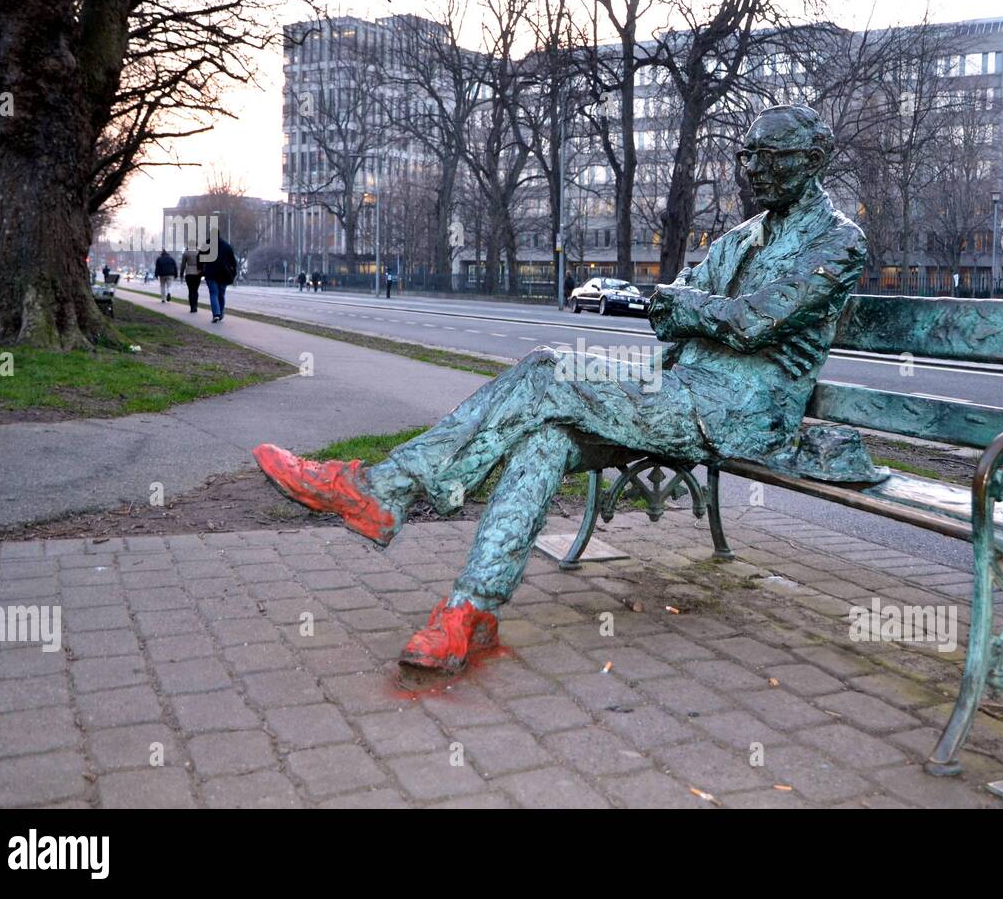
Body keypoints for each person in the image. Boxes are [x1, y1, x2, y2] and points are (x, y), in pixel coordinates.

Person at [254, 105, 865, 673]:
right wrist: (702, 311)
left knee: (550, 371)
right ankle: (472, 610)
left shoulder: (838, 240)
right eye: (747, 155)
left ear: (813, 159)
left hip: (745, 415)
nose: (754, 168)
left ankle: (383, 491)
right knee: (543, 438)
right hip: (681, 390)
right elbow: (664, 309)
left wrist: (696, 309)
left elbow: (757, 322)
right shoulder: (741, 236)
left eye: (771, 155)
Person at [201, 236, 237, 323]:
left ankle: (216, 314)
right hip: (223, 274)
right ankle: (220, 313)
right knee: (221, 294)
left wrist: (201, 269)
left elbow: (200, 257)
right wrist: (234, 272)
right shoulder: (226, 246)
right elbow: (233, 260)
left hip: (210, 274)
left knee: (213, 293)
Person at [180, 243, 202, 313]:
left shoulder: (186, 253)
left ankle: (192, 307)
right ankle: (195, 305)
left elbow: (183, 264)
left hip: (189, 273)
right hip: (197, 273)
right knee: (195, 290)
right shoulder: (199, 252)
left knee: (190, 291)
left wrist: (181, 273)